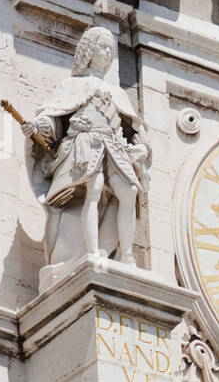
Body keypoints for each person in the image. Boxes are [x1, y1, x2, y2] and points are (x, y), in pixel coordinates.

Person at [23, 26, 149, 271]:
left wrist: (142, 147)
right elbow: (54, 118)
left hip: (114, 146)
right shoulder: (71, 86)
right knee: (94, 189)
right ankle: (92, 252)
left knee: (130, 191)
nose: (107, 54)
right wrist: (38, 127)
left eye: (111, 50)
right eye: (103, 47)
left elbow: (136, 131)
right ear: (89, 51)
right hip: (85, 144)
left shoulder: (117, 93)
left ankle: (126, 254)